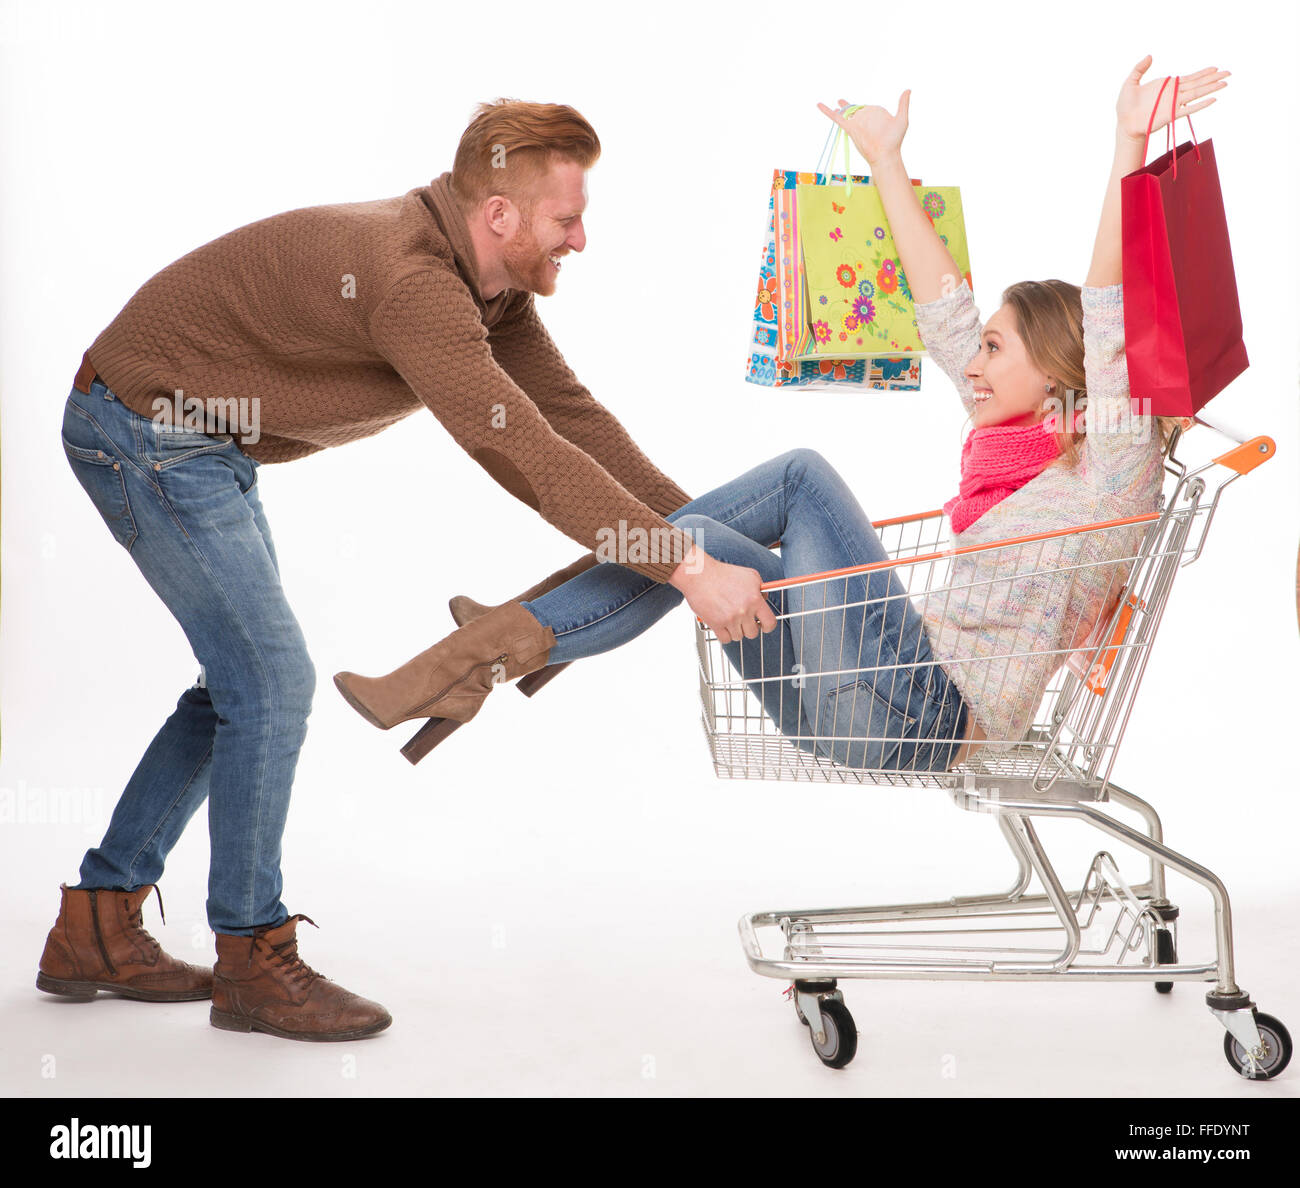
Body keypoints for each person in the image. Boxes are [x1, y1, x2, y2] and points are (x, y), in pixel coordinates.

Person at [43, 100, 766, 1041]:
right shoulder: (416, 282)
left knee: (241, 684)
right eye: (567, 218)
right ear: (500, 216)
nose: (583, 238)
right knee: (268, 684)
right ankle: (252, 959)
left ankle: (97, 927)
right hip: (143, 433)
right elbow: (523, 457)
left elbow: (570, 422)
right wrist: (684, 568)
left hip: (195, 439)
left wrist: (710, 541)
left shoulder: (489, 288)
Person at [335, 58, 1222, 774]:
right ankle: (501, 651)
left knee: (796, 477)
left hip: (921, 710)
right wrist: (883, 162)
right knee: (701, 543)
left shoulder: (1112, 457)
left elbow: (1106, 302)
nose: (972, 363)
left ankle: (517, 639)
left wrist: (1129, 139)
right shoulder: (1010, 443)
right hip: (843, 705)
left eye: (995, 350)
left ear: (1063, 369)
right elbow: (942, 306)